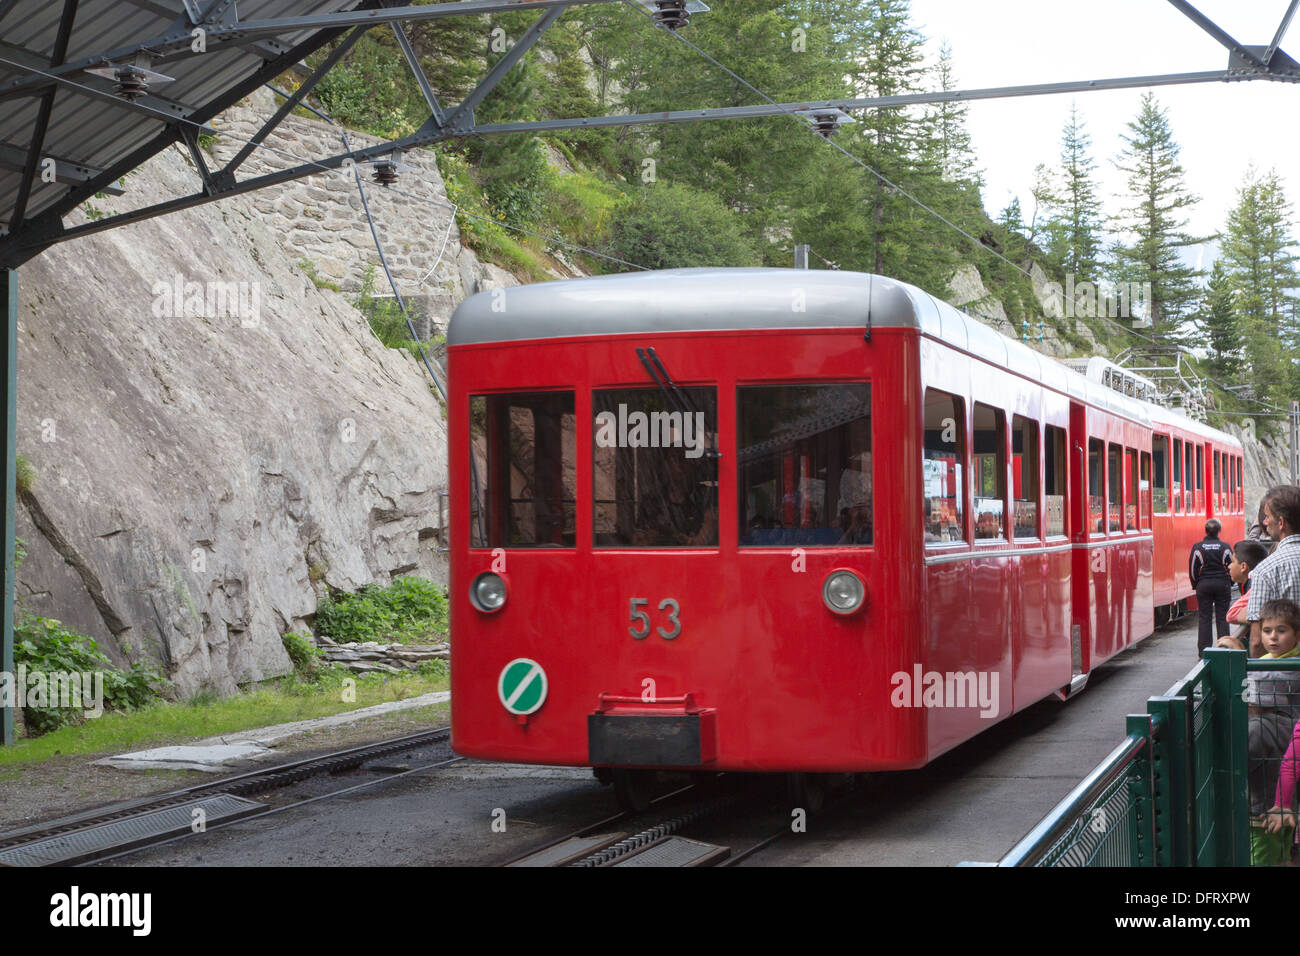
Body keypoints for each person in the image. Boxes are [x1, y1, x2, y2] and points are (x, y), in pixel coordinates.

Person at [1246, 599, 1300, 864]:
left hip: (1265, 804)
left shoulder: (1280, 670)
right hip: (1283, 794)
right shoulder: (1267, 663)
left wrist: (1240, 663)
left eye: (1281, 630)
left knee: (1264, 855)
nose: (1273, 637)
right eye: (1267, 631)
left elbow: (1256, 690)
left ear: (1297, 634)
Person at [1234, 485, 1300, 658]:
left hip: (1286, 678)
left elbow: (1256, 641)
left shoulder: (1267, 569)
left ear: (1281, 522)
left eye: (1267, 516)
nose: (1264, 522)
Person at [1189, 519, 1233, 654]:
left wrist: (1196, 584)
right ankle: (1224, 649)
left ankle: (1204, 652)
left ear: (1205, 531)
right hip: (1222, 584)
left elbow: (1192, 569)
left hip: (1204, 585)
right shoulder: (1225, 547)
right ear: (1219, 531)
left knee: (1204, 618)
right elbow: (1232, 565)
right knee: (1222, 617)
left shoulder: (1197, 547)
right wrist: (1230, 582)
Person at [1227, 539, 1270, 630]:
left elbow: (1232, 614)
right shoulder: (1249, 583)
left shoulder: (1255, 584)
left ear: (1243, 566)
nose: (1229, 566)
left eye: (1233, 561)